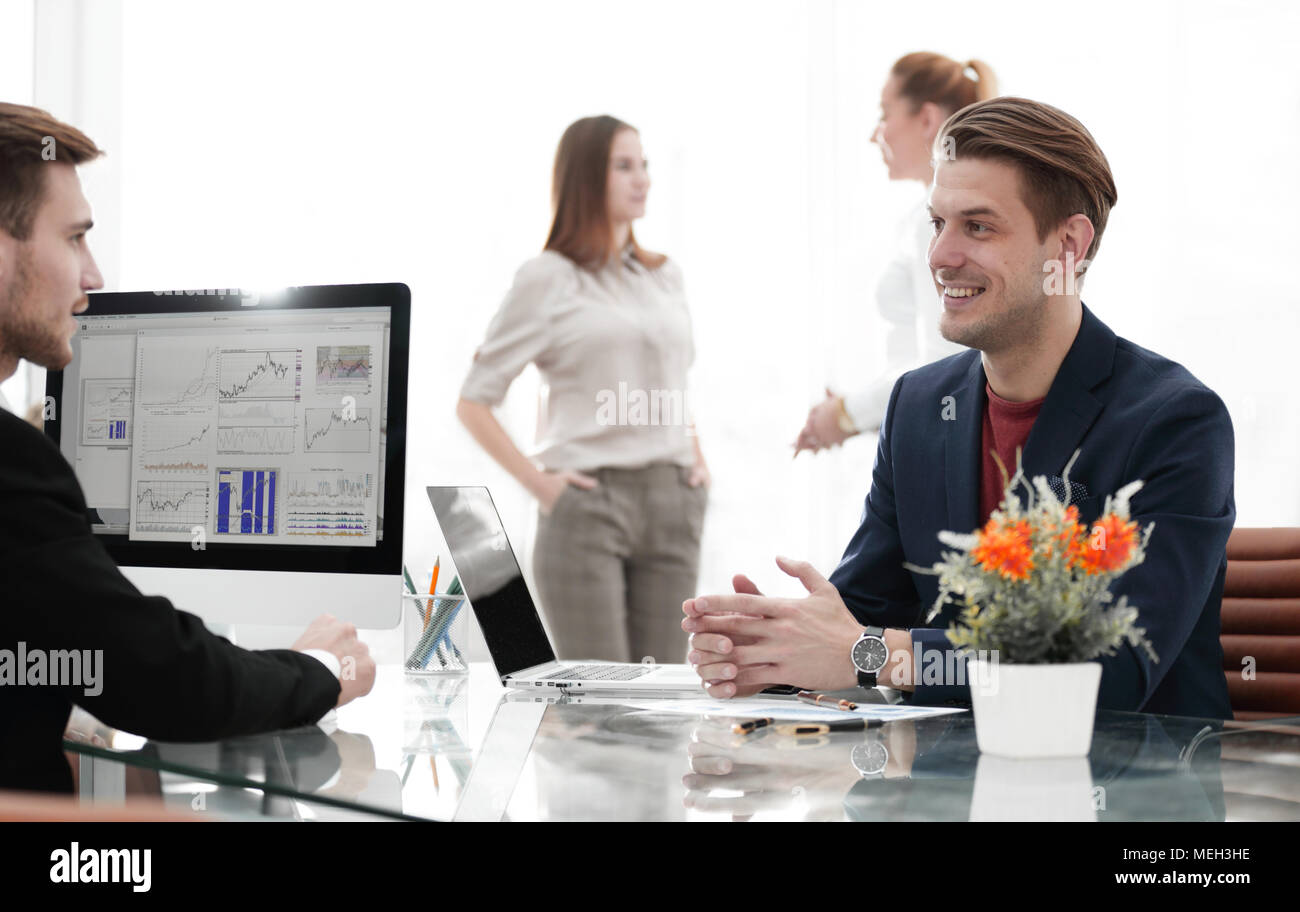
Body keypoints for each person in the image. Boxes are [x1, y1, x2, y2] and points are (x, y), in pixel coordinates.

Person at [685, 97, 1236, 719]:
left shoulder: (1175, 422)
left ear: (1068, 245)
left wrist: (877, 656)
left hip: (1134, 793)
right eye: (937, 223)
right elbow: (866, 615)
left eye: (977, 226)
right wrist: (773, 649)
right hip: (948, 786)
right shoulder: (918, 406)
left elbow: (1104, 673)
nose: (941, 256)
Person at [0, 102, 376, 794]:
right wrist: (322, 670)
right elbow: (159, 681)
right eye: (75, 237)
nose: (94, 276)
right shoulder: (10, 465)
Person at [458, 115, 709, 665]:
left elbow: (672, 379)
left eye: (644, 165)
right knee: (603, 714)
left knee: (662, 707)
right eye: (623, 166)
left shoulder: (665, 276)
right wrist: (540, 485)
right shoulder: (548, 278)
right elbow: (474, 400)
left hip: (672, 501)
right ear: (584, 178)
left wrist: (696, 457)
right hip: (589, 506)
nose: (641, 178)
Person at [794, 52, 996, 455]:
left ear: (925, 120)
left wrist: (846, 414)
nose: (875, 134)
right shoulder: (947, 215)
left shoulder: (937, 224)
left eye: (884, 114)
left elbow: (943, 367)